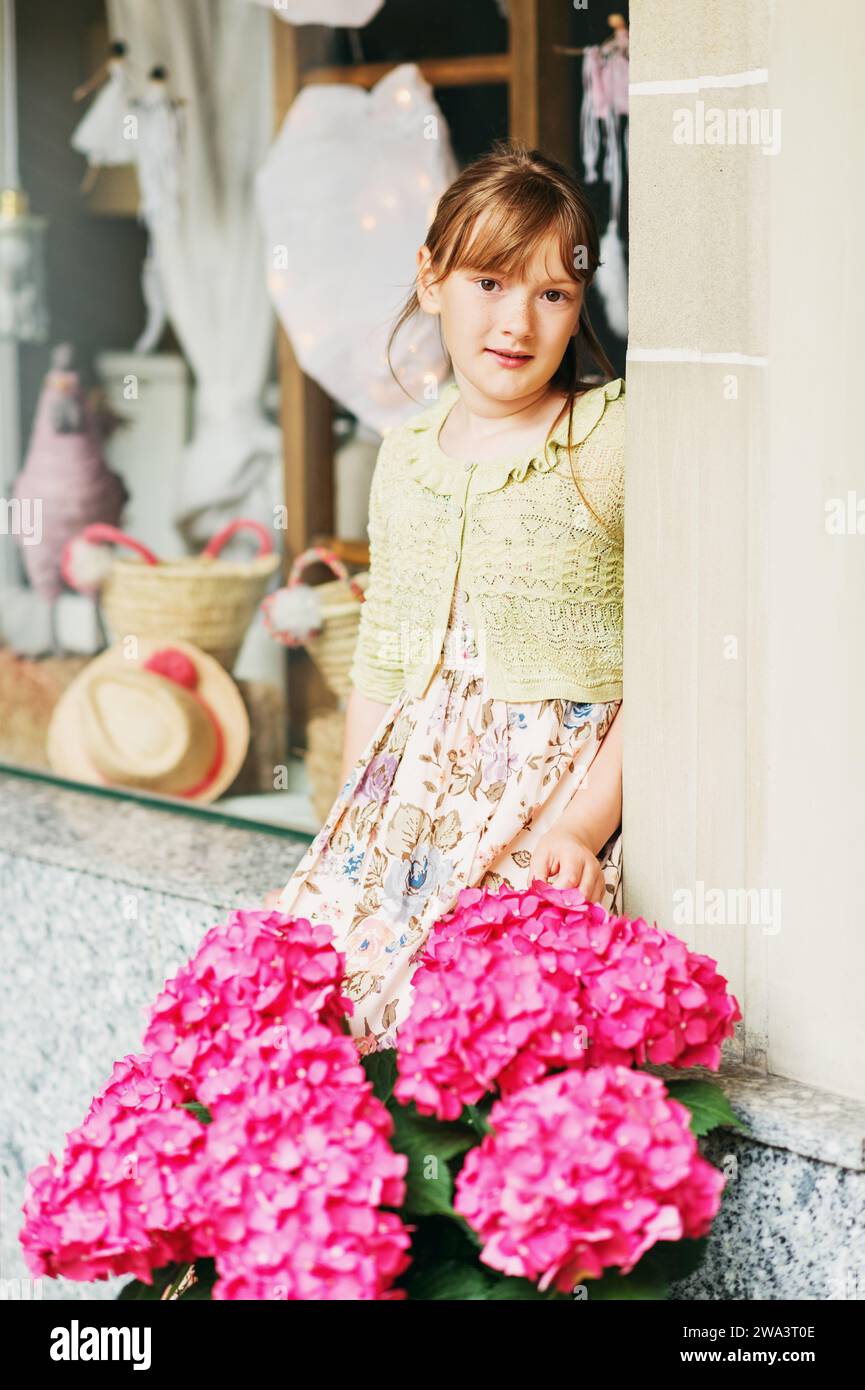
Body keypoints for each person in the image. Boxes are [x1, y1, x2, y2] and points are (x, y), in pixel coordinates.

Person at [265, 139, 626, 1053]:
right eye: (490, 283)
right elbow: (382, 660)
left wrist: (580, 826)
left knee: (476, 1028)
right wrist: (350, 820)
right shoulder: (406, 456)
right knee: (331, 1015)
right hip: (407, 802)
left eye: (553, 294)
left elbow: (672, 664)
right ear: (431, 279)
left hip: (541, 804)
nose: (519, 322)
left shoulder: (610, 439)